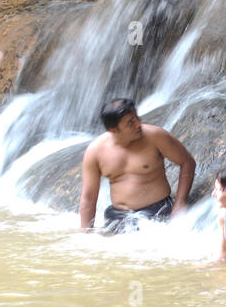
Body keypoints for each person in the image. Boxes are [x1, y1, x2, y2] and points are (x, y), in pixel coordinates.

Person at [79, 98, 196, 231]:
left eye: (137, 118)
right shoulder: (95, 152)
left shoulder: (156, 136)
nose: (138, 124)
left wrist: (180, 202)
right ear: (113, 129)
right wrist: (86, 234)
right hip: (118, 216)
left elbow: (187, 162)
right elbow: (88, 197)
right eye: (130, 123)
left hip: (158, 212)